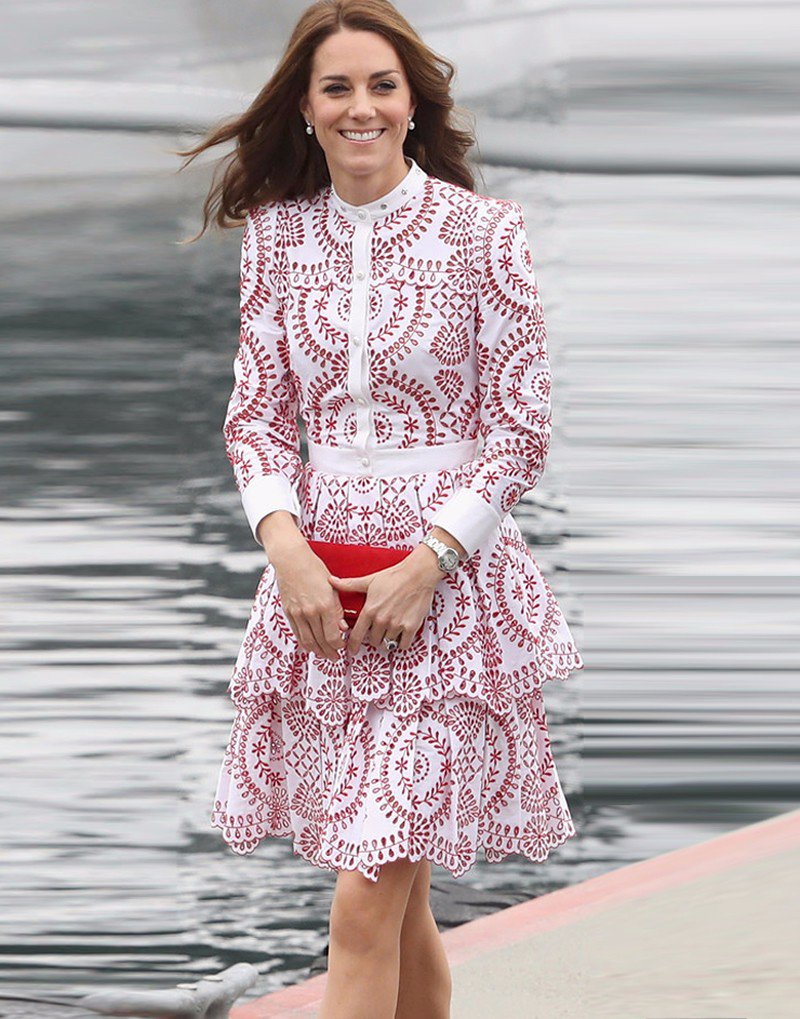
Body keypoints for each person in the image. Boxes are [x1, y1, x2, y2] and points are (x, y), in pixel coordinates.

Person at [177, 1, 585, 1015]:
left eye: (380, 85)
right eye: (335, 88)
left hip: (446, 597)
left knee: (365, 903)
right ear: (306, 111)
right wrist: (287, 553)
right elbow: (256, 423)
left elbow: (518, 427)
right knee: (395, 905)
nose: (360, 106)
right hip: (318, 599)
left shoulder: (482, 232)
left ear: (412, 104)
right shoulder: (274, 241)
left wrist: (429, 561)